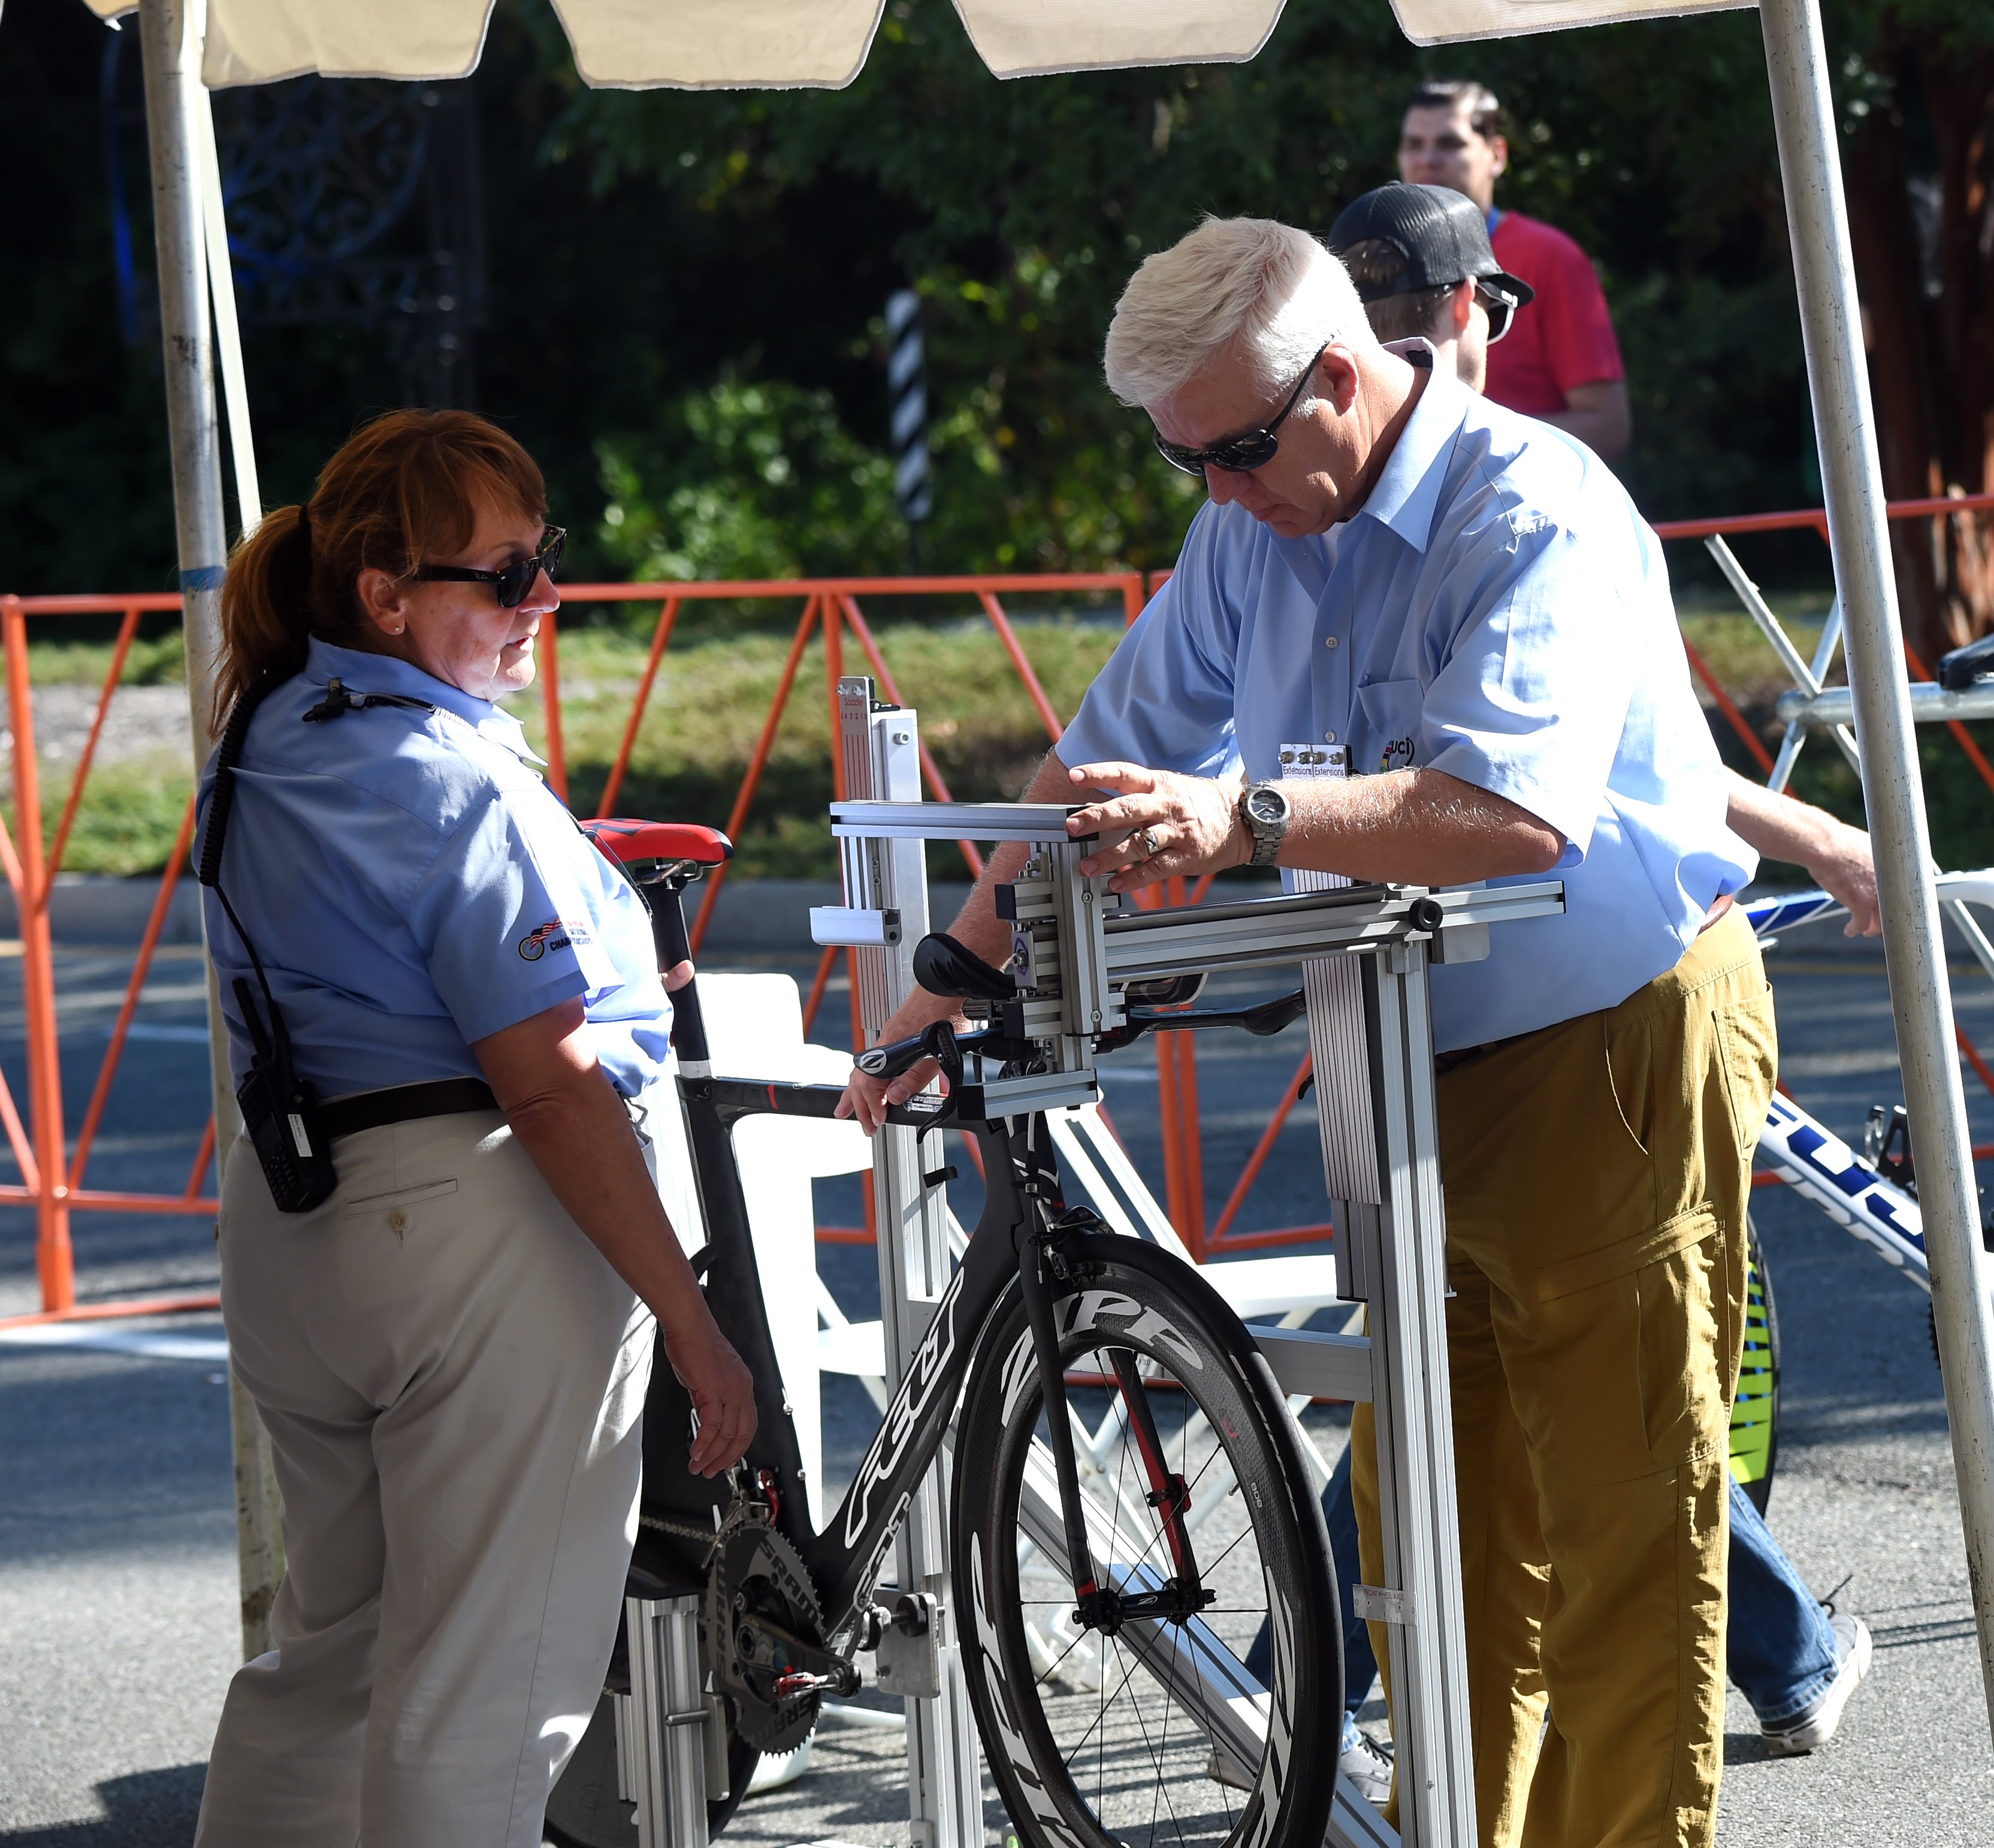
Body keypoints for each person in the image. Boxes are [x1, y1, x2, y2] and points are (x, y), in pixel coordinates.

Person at [842, 217, 1774, 1847]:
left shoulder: (1527, 498)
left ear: (1342, 378)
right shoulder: (1257, 517)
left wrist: (1250, 813)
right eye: (1186, 461)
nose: (1217, 496)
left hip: (1607, 1042)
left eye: (1237, 454)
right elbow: (1103, 765)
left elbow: (1507, 813)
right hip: (1404, 1059)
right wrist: (951, 977)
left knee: (1626, 1533)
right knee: (1442, 1553)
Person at [1306, 182, 1877, 1798]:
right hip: (1416, 1036)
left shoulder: (1539, 493)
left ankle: (1647, 1785)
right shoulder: (1308, 508)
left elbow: (1606, 772)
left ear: (1486, 319)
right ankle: (1464, 1812)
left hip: (1600, 1004)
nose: (1417, 362)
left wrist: (1816, 827)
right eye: (1382, 338)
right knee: (1428, 1493)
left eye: (1432, 328)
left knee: (1622, 1480)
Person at [190, 410, 757, 1848]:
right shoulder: (444, 776)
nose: (544, 602)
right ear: (391, 596)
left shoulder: (271, 732)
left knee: (331, 1669)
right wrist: (688, 1320)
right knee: (488, 1700)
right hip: (478, 1225)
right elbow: (552, 1081)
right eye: (508, 575)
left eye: (545, 562)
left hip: (300, 1220)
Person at [1399, 79, 1632, 461]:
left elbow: (1607, 426)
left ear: (1497, 155)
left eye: (1450, 143)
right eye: (1414, 145)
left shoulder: (1551, 257)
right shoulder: (1377, 258)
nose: (1427, 159)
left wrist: (1466, 448)